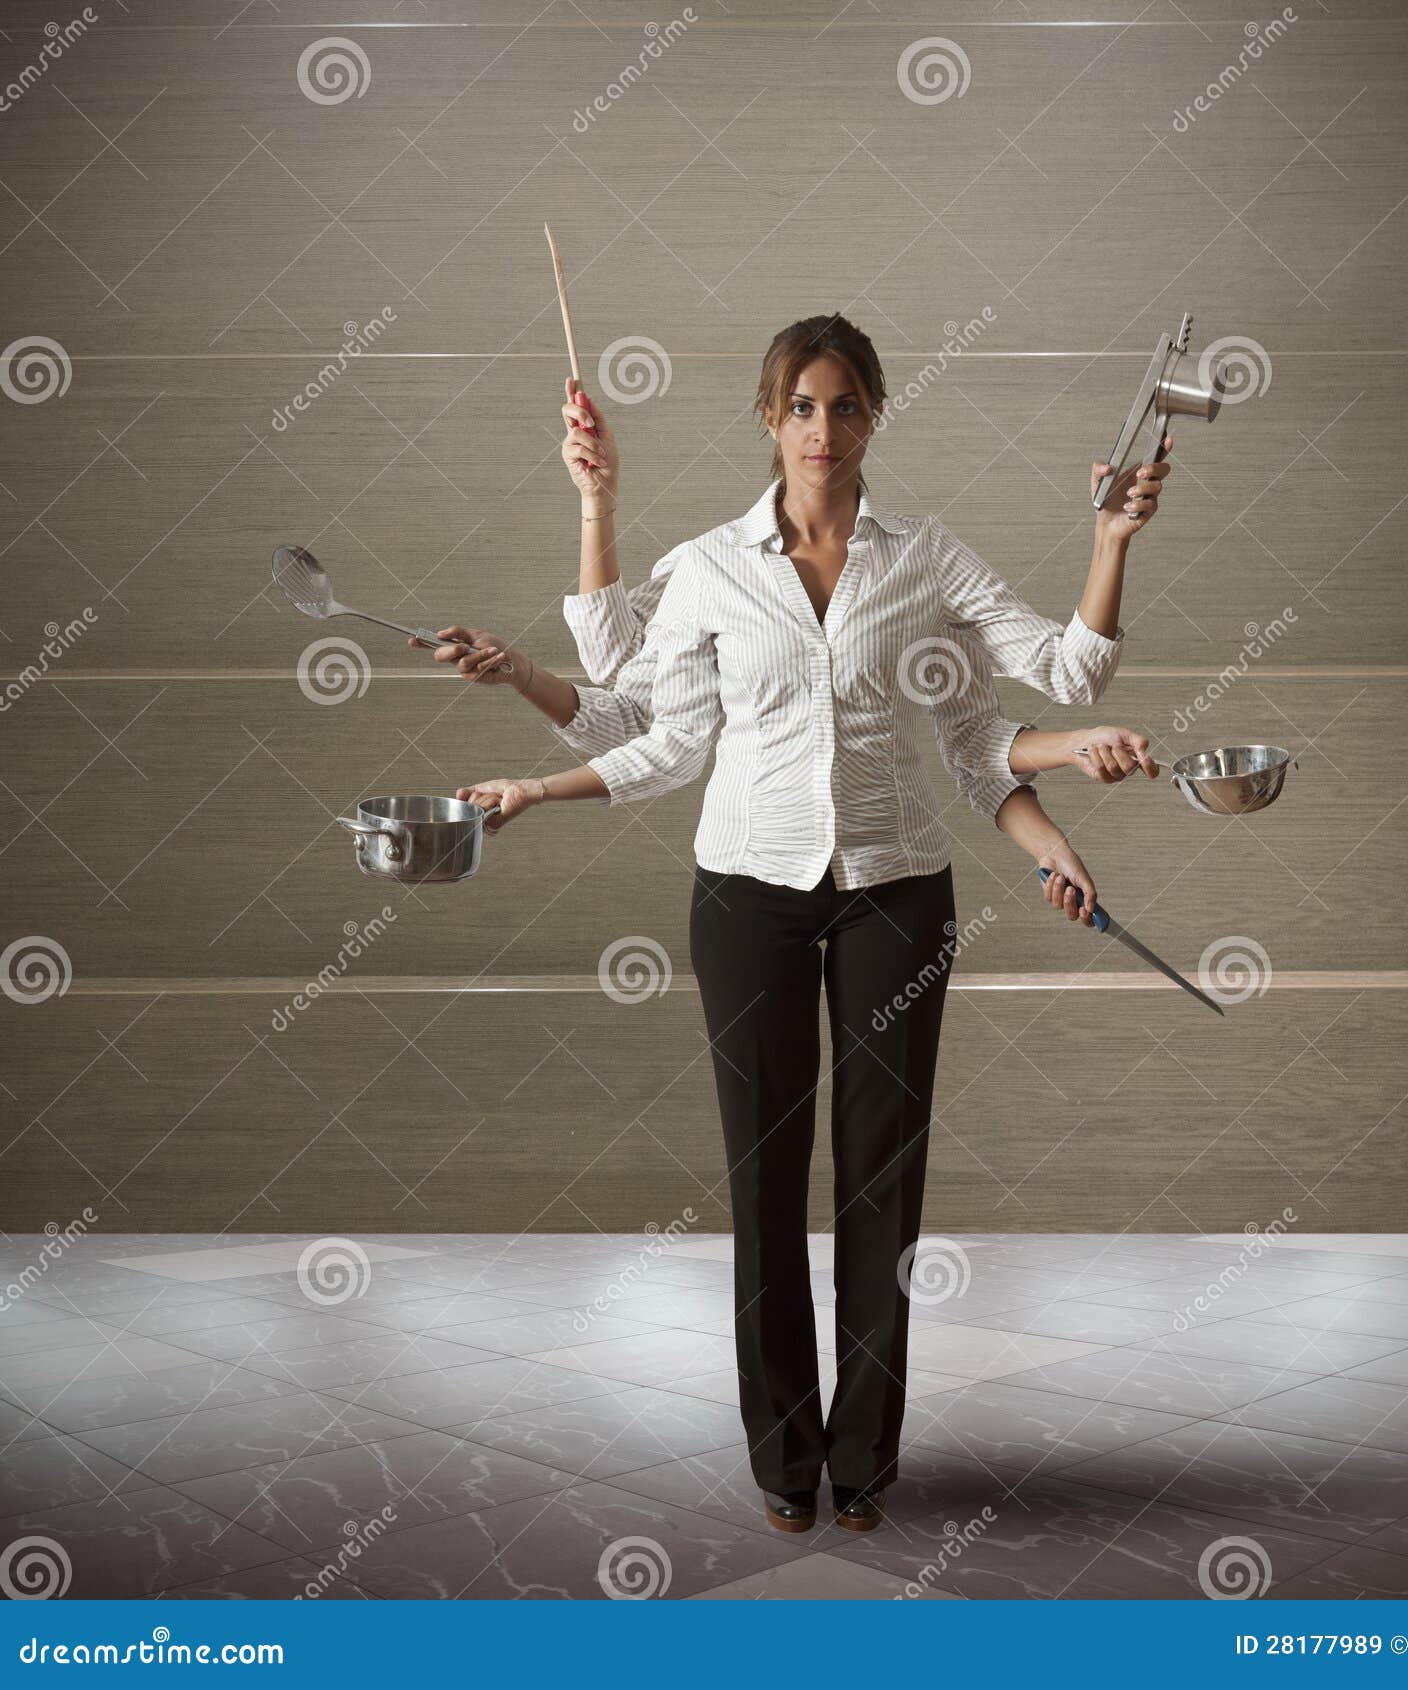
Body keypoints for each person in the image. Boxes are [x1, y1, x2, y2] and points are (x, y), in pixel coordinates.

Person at [419, 314, 1172, 1533]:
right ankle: (783, 1458)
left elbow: (1038, 701)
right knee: (763, 1180)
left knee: (883, 1177)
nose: (825, 430)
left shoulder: (924, 560)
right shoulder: (715, 564)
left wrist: (1110, 538)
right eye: (802, 407)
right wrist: (534, 770)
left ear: (876, 415)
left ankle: (863, 1458)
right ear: (769, 421)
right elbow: (641, 726)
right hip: (746, 899)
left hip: (894, 891)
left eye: (848, 406)